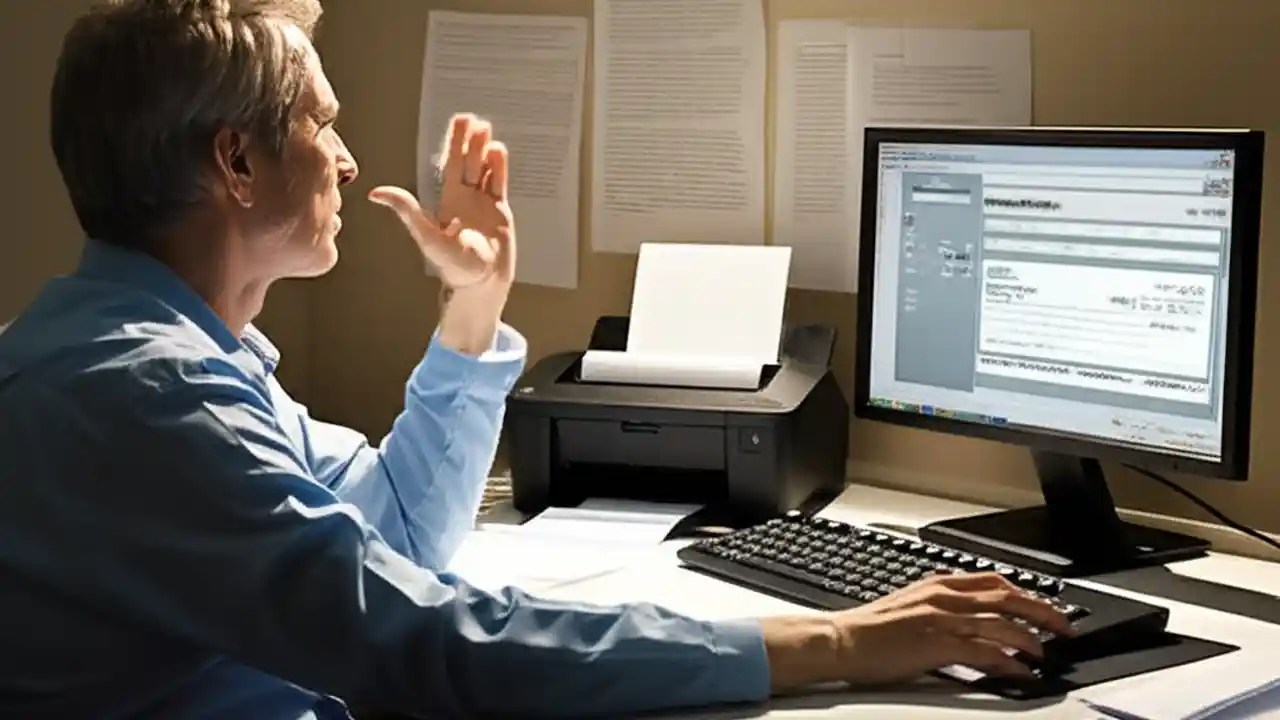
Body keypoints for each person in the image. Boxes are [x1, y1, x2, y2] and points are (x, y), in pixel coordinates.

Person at [0, 1, 1072, 717]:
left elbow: (391, 548)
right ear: (236, 162)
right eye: (320, 123)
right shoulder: (140, 393)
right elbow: (422, 638)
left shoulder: (180, 360)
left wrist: (473, 308)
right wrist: (829, 644)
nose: (346, 154)